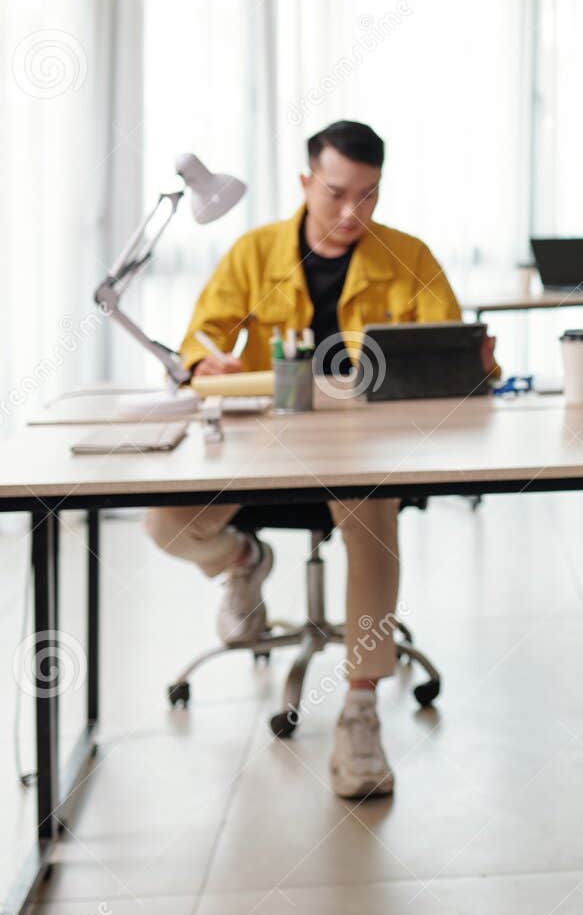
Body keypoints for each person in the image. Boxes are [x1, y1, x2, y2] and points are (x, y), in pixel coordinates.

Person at [144, 120, 467, 800]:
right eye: (336, 193)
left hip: (364, 450)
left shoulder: (409, 256)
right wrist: (209, 358)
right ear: (304, 183)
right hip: (262, 450)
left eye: (369, 196)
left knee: (372, 519)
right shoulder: (254, 251)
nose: (352, 213)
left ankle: (359, 709)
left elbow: (451, 354)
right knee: (166, 522)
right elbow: (198, 337)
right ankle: (242, 562)